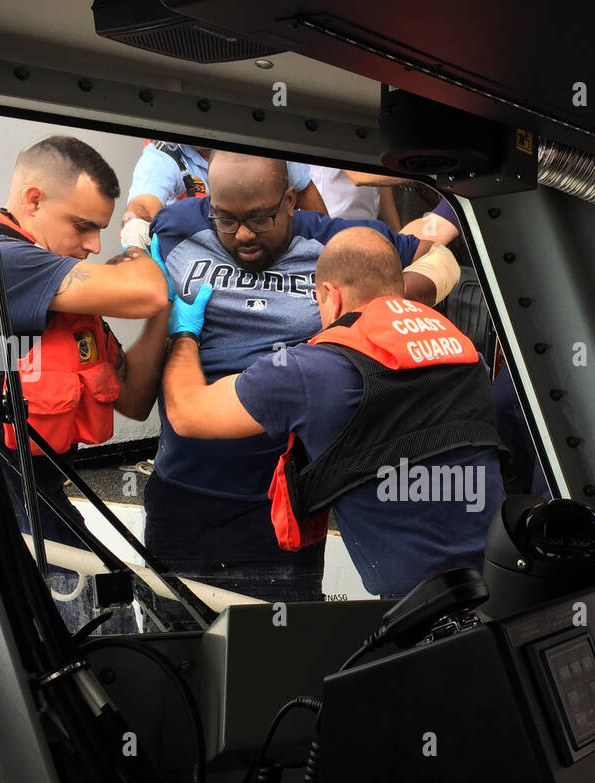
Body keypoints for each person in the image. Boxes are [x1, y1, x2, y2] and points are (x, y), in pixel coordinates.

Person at [146, 152, 461, 609]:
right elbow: (133, 245)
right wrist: (139, 250)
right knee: (173, 649)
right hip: (184, 494)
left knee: (282, 656)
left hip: (285, 503)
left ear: (290, 199)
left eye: (260, 218)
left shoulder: (337, 243)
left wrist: (385, 299)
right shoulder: (175, 228)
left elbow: (440, 257)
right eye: (226, 220)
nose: (244, 235)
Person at [161, 227, 504, 597]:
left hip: (428, 608)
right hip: (505, 576)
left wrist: (184, 334)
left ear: (330, 295)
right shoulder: (465, 353)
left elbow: (187, 412)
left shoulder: (309, 372)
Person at [0, 135, 170, 628]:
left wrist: (169, 322)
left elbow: (135, 401)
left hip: (42, 496)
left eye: (101, 230)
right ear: (33, 199)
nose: (92, 247)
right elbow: (147, 291)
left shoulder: (48, 291)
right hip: (2, 511)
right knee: (106, 638)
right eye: (82, 226)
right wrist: (137, 239)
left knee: (111, 610)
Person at [120, 142, 326, 248]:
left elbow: (306, 194)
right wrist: (136, 224)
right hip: (203, 261)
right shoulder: (165, 153)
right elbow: (143, 204)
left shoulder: (263, 139)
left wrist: (326, 248)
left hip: (267, 249)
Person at [308, 166, 403, 230]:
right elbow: (358, 176)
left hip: (367, 228)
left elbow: (381, 185)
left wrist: (400, 238)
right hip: (331, 226)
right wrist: (413, 174)